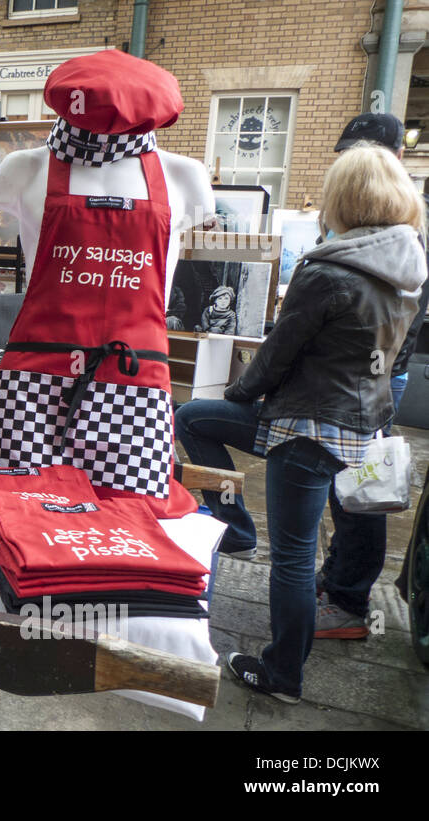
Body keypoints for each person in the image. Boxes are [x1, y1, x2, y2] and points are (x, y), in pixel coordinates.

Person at [175, 144, 426, 702]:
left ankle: (282, 674)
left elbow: (276, 356)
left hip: (305, 427)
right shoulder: (409, 269)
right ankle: (235, 527)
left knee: (291, 558)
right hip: (356, 428)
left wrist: (240, 392)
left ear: (344, 198)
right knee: (193, 417)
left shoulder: (328, 270)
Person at [316, 113, 429, 639]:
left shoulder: (405, 233)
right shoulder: (384, 227)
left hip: (375, 378)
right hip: (369, 376)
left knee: (361, 495)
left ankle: (347, 604)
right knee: (350, 490)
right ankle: (337, 583)